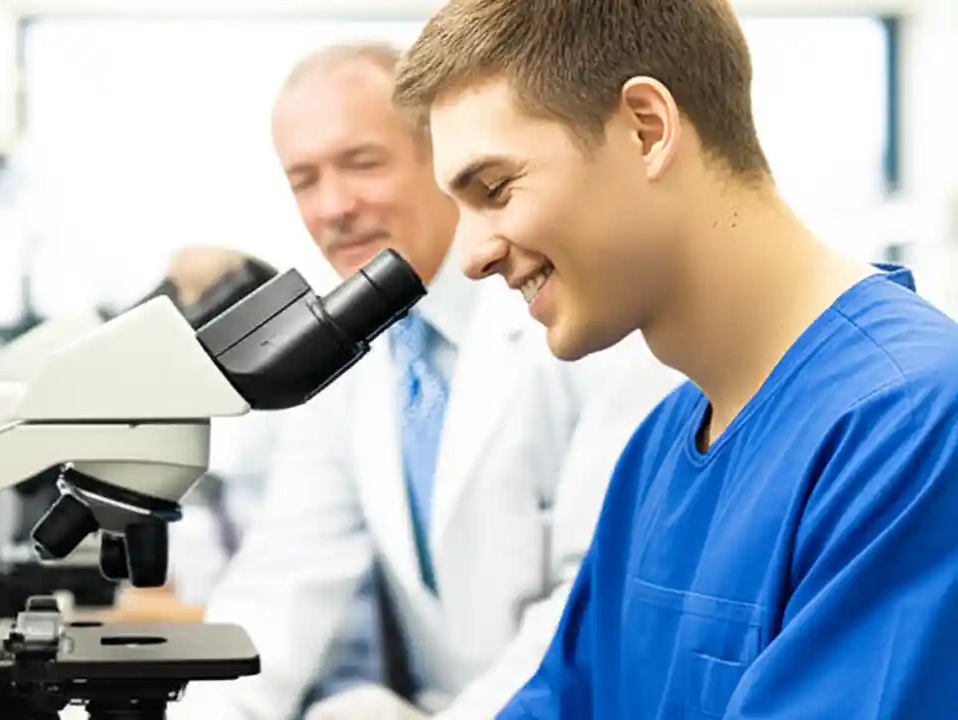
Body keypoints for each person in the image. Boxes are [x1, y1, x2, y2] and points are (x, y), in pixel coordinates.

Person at [391, 1, 958, 717]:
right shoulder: (658, 449)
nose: (469, 256)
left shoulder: (912, 422)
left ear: (645, 129)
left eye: (496, 190)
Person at [173, 43, 682, 719]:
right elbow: (285, 575)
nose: (335, 207)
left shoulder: (578, 320)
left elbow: (592, 594)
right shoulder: (350, 359)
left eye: (363, 164)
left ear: (440, 160)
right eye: (304, 180)